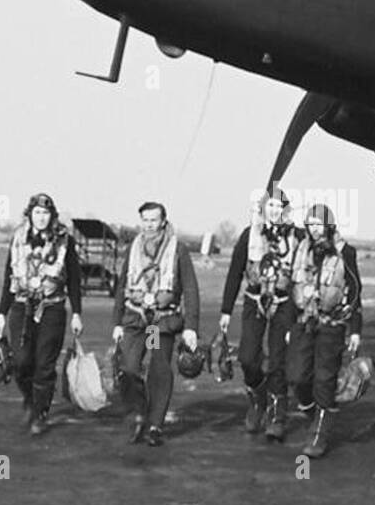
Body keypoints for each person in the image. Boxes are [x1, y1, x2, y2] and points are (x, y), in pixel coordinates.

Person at [0, 193, 83, 437]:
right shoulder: (18, 239)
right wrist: (1, 314)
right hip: (21, 306)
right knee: (21, 363)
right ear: (29, 215)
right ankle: (30, 401)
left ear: (52, 216)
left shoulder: (65, 241)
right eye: (37, 213)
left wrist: (77, 313)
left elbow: (74, 279)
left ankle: (40, 413)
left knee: (44, 364)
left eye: (45, 213)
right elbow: (8, 278)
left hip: (52, 307)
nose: (41, 218)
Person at [111, 202, 200, 447]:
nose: (149, 225)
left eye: (154, 220)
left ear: (163, 221)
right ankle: (138, 412)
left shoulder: (178, 249)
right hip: (136, 318)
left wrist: (191, 326)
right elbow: (121, 286)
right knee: (128, 368)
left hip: (160, 322)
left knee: (159, 368)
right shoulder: (133, 248)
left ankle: (154, 425)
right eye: (145, 220)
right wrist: (117, 322)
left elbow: (190, 288)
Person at [219, 187, 299, 441]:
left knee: (278, 360)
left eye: (279, 206)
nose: (274, 211)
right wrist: (225, 311)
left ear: (285, 209)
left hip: (284, 303)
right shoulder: (249, 235)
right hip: (255, 301)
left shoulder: (297, 236)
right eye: (270, 206)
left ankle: (277, 415)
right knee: (247, 358)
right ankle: (257, 398)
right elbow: (235, 273)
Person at [287, 204, 362, 459]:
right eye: (311, 225)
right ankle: (316, 414)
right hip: (304, 321)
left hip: (332, 324)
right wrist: (289, 325)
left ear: (329, 226)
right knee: (297, 375)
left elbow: (355, 290)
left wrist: (355, 330)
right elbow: (291, 288)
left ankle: (319, 432)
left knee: (324, 378)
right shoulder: (301, 250)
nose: (315, 230)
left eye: (319, 225)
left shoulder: (345, 252)